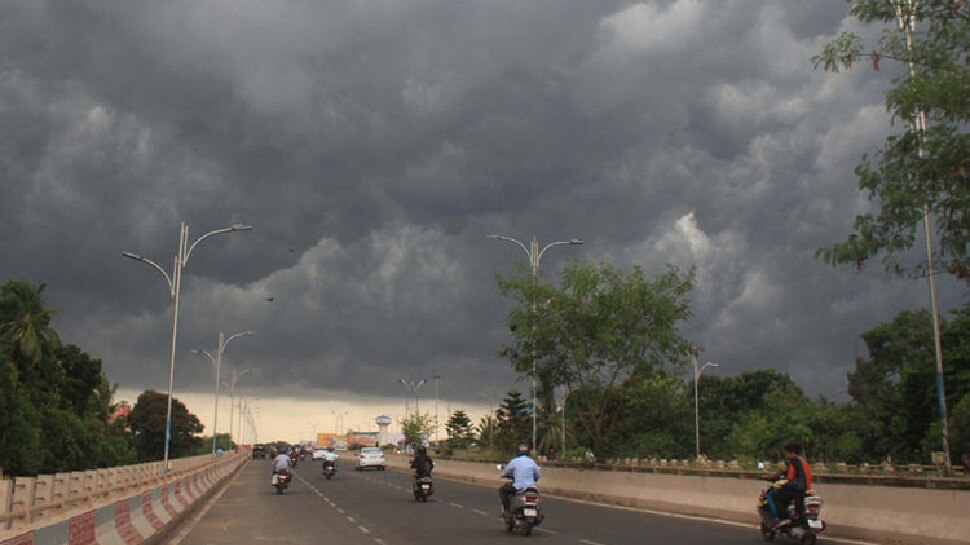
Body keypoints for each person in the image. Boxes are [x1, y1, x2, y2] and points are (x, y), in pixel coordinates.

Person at [766, 443, 812, 528]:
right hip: (804, 488)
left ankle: (784, 518)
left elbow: (790, 477)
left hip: (795, 488)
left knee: (775, 495)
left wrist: (783, 482)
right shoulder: (803, 461)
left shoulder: (794, 461)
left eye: (787, 453)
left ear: (792, 452)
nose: (786, 455)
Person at [499, 444, 541, 518]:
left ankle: (507, 511)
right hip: (531, 487)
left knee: (503, 490)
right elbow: (537, 474)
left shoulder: (514, 461)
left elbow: (506, 472)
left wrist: (504, 475)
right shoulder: (532, 462)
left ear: (518, 452)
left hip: (518, 487)